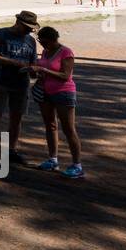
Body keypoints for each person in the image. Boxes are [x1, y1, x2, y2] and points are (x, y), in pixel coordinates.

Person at [0, 10, 40, 165]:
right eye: (27, 27)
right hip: (1, 81)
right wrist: (14, 63)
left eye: (31, 28)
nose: (29, 30)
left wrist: (33, 70)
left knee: (16, 118)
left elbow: (33, 62)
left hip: (21, 83)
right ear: (18, 22)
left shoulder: (30, 41)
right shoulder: (1, 34)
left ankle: (11, 151)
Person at [31, 25, 83, 178]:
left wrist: (44, 71)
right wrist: (35, 72)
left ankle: (77, 165)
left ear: (54, 39)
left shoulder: (66, 52)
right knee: (50, 125)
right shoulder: (46, 51)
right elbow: (43, 70)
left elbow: (65, 75)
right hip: (45, 92)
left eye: (45, 42)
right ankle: (53, 159)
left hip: (63, 93)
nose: (42, 45)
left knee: (68, 129)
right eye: (40, 42)